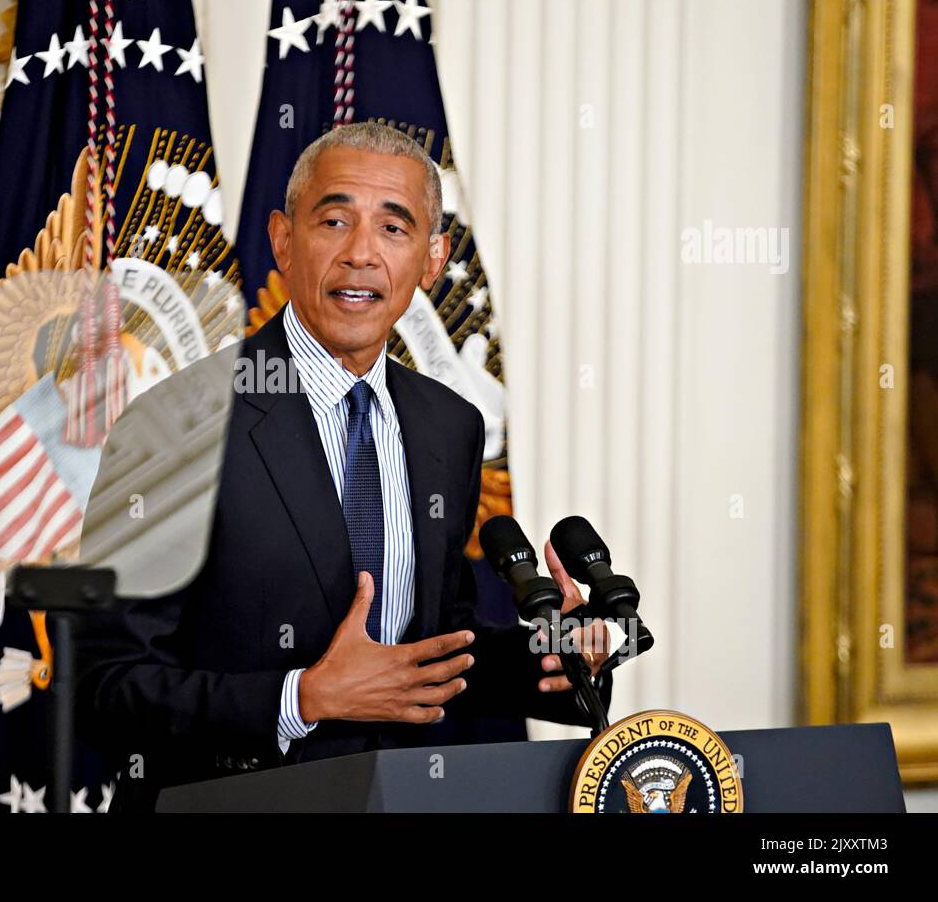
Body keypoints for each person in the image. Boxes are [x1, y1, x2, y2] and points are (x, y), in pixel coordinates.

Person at [79, 122, 612, 811]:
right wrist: (300, 698)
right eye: (334, 220)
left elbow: (432, 654)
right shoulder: (172, 428)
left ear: (431, 258)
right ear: (282, 238)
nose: (361, 254)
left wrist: (559, 655)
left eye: (394, 229)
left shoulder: (449, 427)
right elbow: (102, 687)